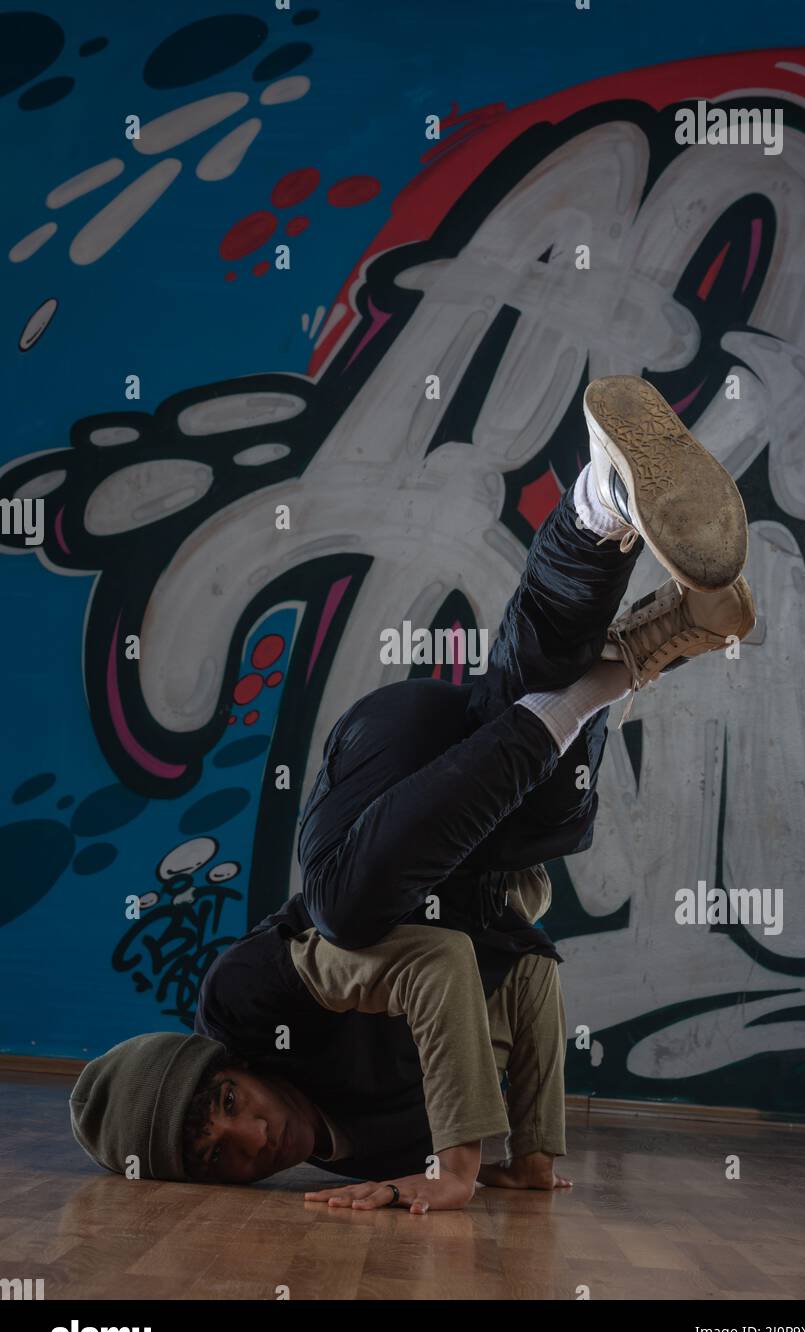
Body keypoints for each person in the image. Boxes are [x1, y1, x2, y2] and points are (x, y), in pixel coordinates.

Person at [69, 376, 755, 1215]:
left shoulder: (241, 1004)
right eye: (218, 1156)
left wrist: (457, 1169)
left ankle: (613, 670)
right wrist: (530, 1154)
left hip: (393, 762)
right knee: (548, 812)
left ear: (230, 1064)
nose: (250, 1135)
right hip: (494, 827)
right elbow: (525, 981)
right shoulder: (381, 1149)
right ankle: (602, 512)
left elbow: (436, 961)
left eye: (225, 1101)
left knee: (346, 908)